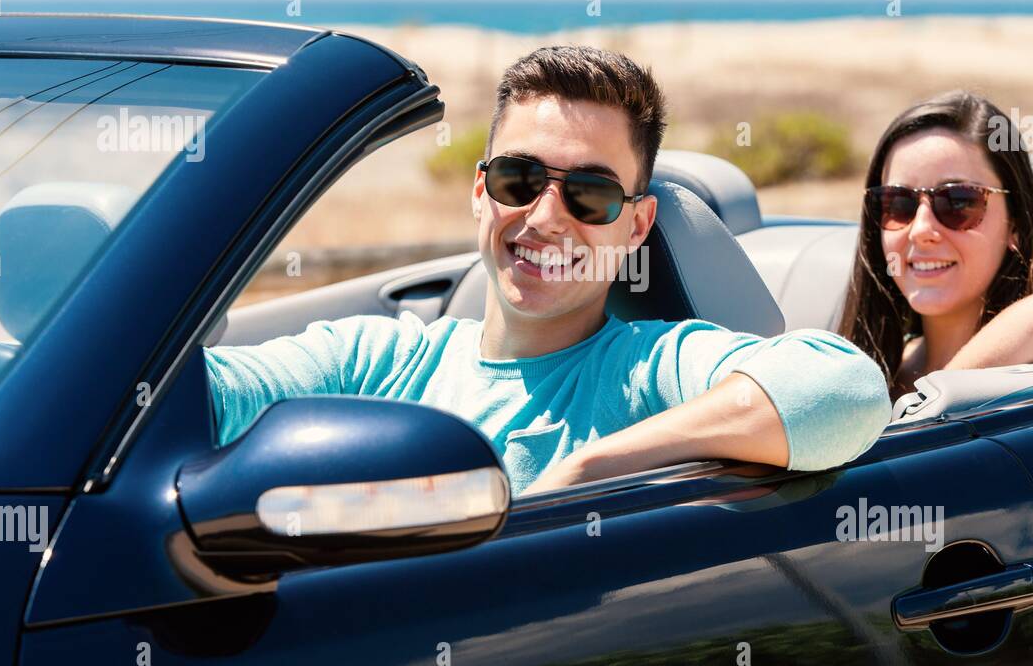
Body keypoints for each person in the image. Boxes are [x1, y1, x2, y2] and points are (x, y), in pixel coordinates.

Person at [206, 46, 891, 495]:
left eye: (590, 195)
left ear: (637, 225)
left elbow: (843, 391)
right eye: (519, 178)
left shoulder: (647, 369)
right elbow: (180, 398)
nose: (545, 217)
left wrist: (594, 467)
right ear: (480, 192)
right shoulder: (371, 359)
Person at [837, 90, 1033, 399]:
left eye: (958, 202)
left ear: (1016, 225)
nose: (921, 229)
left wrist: (929, 405)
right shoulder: (872, 375)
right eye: (897, 203)